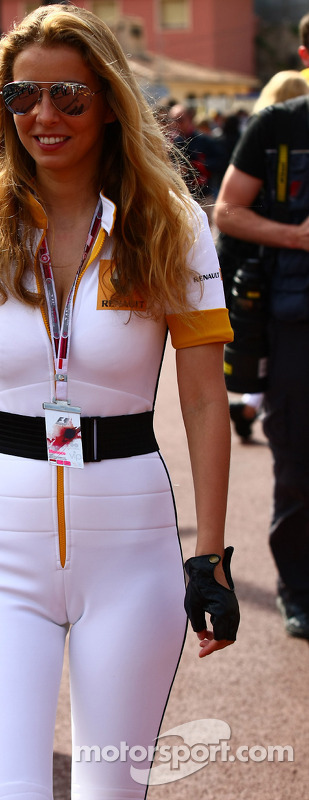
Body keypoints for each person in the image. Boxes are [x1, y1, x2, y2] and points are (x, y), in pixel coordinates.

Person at [0, 5, 239, 798]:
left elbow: (204, 398)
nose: (43, 116)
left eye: (66, 95)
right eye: (21, 96)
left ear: (108, 101)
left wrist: (210, 556)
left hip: (131, 550)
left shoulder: (170, 226)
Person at [214, 57, 309, 638]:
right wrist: (296, 236)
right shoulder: (279, 125)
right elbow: (227, 212)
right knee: (297, 460)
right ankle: (299, 589)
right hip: (295, 320)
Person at [218, 70, 309, 444]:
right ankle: (251, 404)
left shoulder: (265, 124)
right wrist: (295, 236)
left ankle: (250, 405)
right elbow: (228, 211)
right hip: (275, 291)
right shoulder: (272, 129)